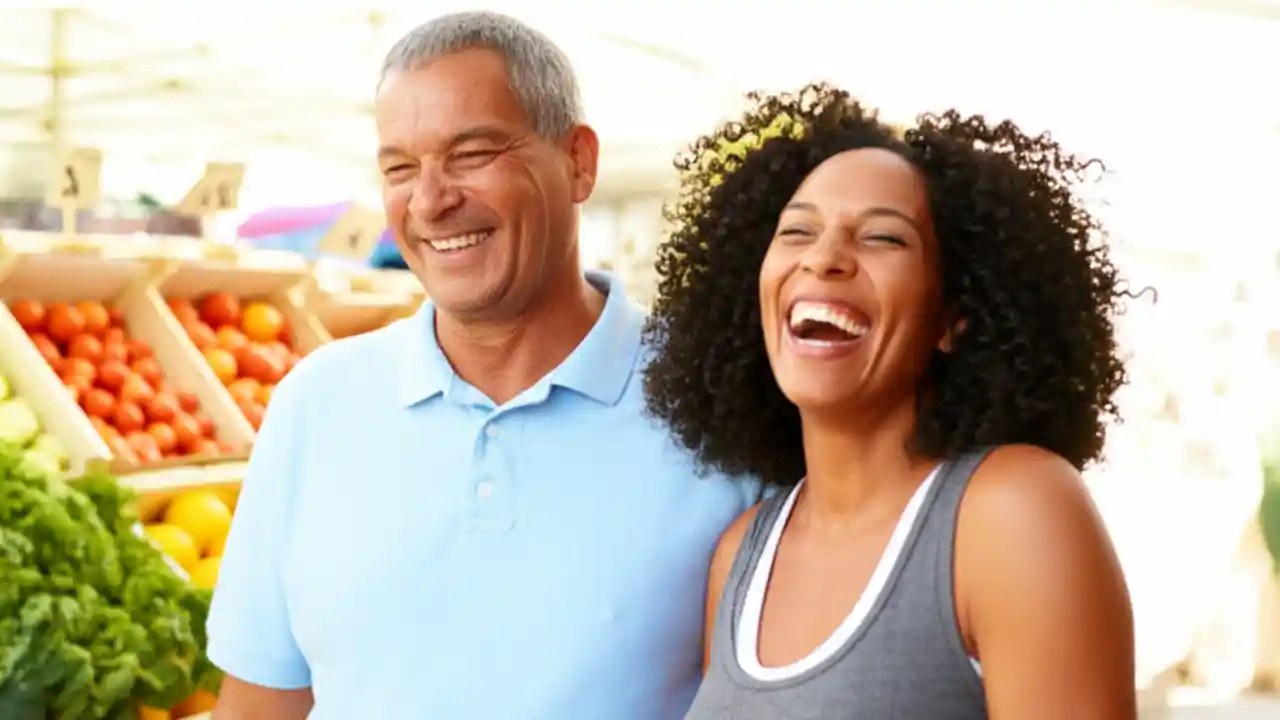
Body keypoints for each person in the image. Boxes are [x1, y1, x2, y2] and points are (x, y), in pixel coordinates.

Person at [206, 12, 761, 719]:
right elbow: (259, 705)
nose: (432, 201)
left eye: (471, 154)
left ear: (578, 162)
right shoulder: (315, 404)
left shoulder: (721, 407)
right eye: (400, 168)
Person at [642, 84, 1138, 718]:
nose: (823, 259)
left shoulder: (1012, 512)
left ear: (954, 317)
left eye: (882, 239)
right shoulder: (742, 556)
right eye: (797, 231)